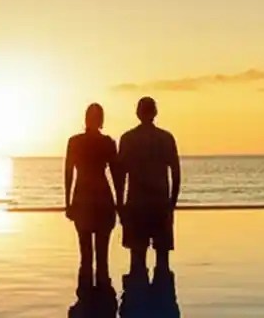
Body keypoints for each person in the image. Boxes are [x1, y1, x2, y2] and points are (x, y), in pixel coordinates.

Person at [115, 96, 181, 278]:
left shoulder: (128, 139)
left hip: (137, 204)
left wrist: (120, 204)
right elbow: (176, 173)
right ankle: (160, 300)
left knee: (137, 261)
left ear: (138, 113)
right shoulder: (166, 138)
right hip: (159, 203)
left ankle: (139, 301)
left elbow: (121, 176)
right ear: (155, 113)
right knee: (162, 262)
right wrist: (172, 203)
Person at [65, 103, 120, 294]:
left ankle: (87, 301)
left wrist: (68, 202)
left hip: (84, 197)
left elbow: (68, 173)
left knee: (86, 255)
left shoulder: (75, 142)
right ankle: (101, 300)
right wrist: (119, 202)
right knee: (100, 256)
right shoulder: (107, 143)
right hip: (100, 198)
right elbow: (117, 175)